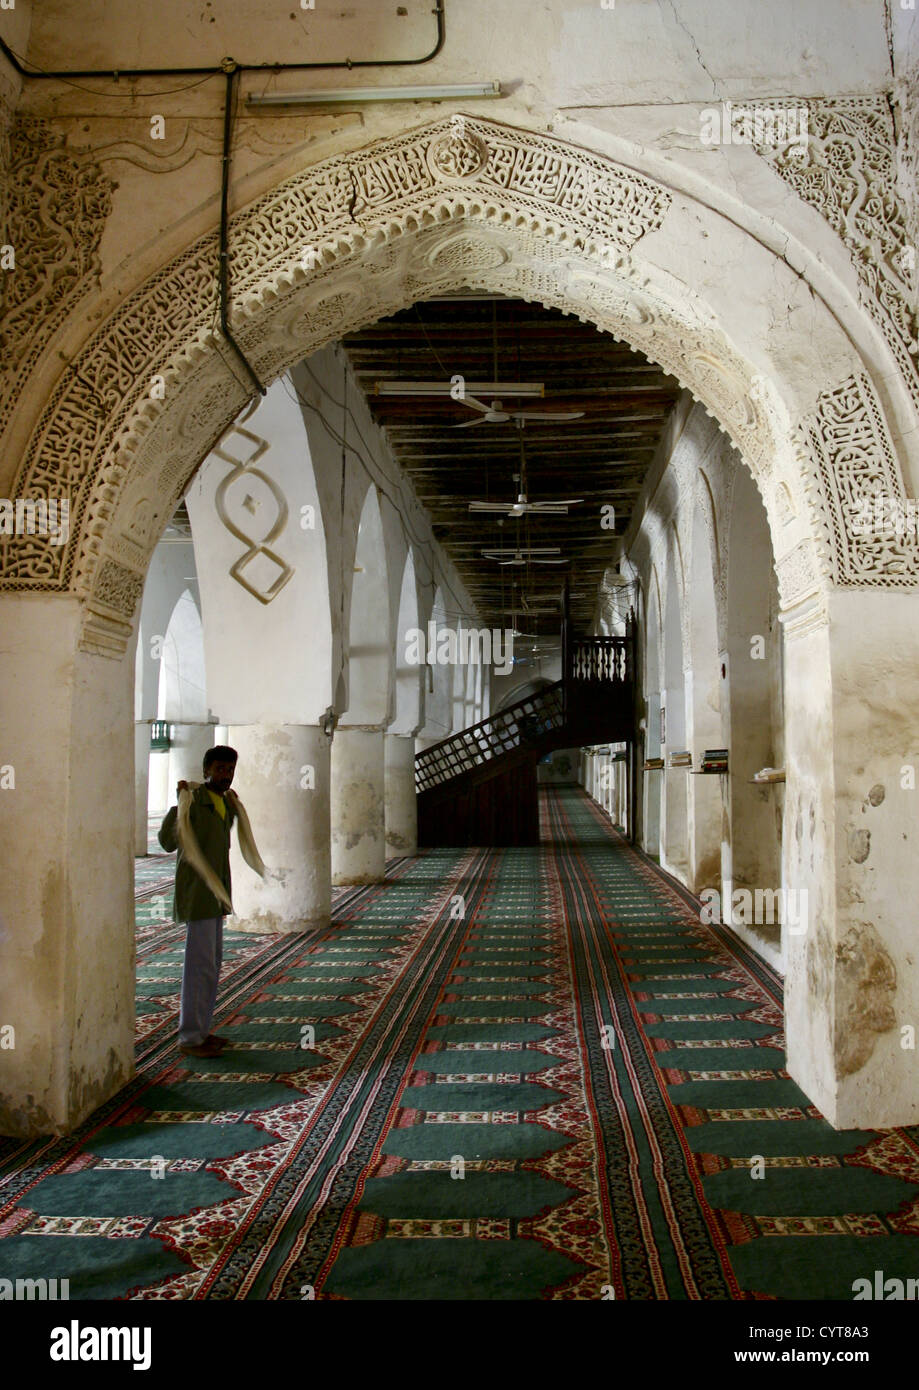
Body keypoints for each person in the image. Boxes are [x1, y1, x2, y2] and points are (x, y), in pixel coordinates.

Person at [158, 745, 241, 1059]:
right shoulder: (193, 802)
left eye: (230, 769)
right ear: (206, 770)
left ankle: (201, 1030)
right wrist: (177, 805)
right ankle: (191, 1038)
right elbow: (167, 842)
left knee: (212, 964)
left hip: (216, 896)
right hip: (199, 895)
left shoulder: (224, 804)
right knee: (199, 966)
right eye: (220, 769)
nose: (226, 775)